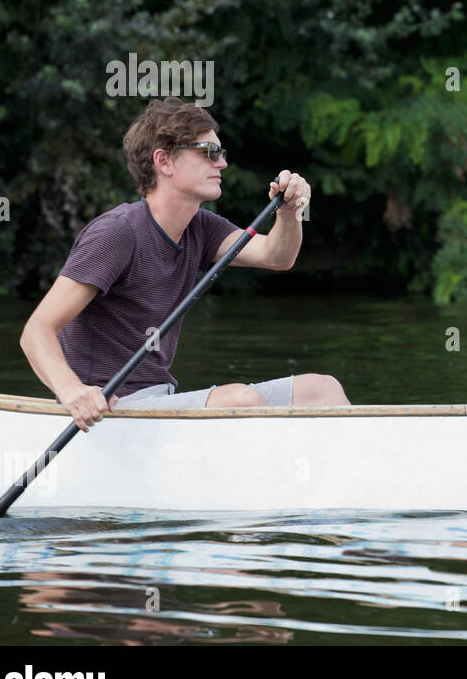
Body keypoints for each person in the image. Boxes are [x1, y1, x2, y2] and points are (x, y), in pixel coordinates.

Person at [20, 97, 350, 431]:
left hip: (161, 399)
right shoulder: (117, 233)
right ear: (164, 162)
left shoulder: (201, 228)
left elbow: (276, 257)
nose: (221, 164)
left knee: (322, 389)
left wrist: (289, 212)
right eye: (209, 152)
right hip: (111, 408)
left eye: (221, 154)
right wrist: (72, 391)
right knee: (241, 401)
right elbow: (37, 330)